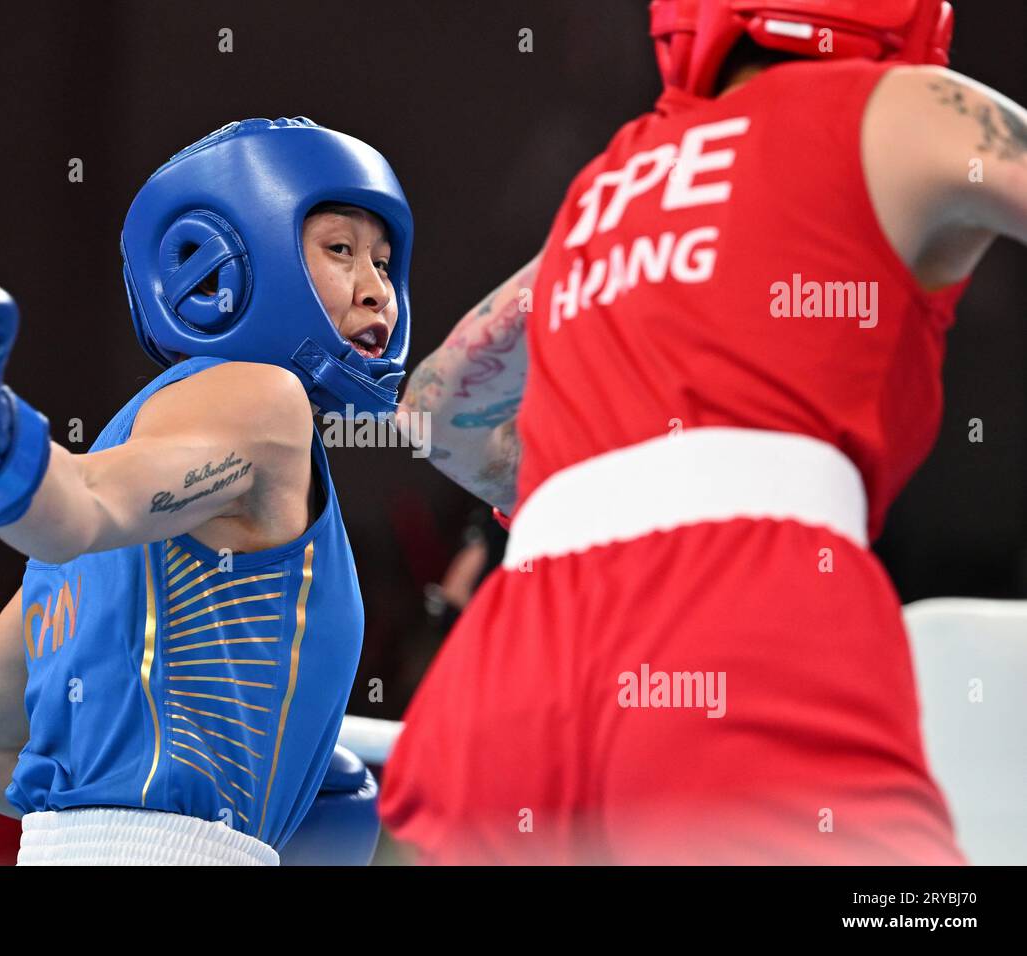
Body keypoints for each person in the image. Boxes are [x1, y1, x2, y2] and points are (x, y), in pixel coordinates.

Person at [382, 0, 1026, 863]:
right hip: (738, 623)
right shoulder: (896, 107)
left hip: (509, 671)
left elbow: (436, 406)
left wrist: (602, 488)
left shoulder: (609, 184)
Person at [0, 117, 411, 865]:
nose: (377, 289)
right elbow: (85, 508)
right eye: (340, 249)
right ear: (219, 266)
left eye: (384, 262)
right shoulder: (267, 405)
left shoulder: (102, 483)